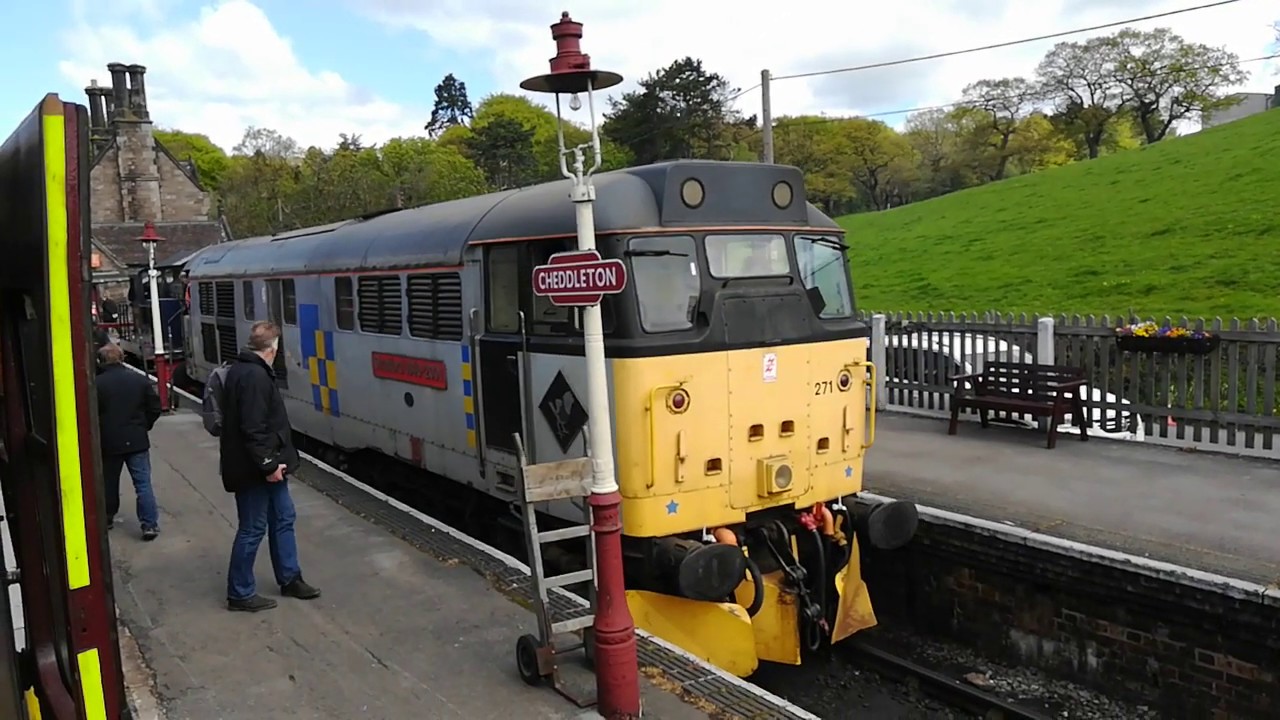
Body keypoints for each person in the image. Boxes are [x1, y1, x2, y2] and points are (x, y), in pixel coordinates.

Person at [220, 321, 320, 612]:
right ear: (273, 348)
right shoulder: (253, 377)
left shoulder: (248, 371)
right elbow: (254, 428)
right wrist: (268, 465)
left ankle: (290, 577)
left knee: (284, 517)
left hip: (268, 465)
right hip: (257, 470)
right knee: (253, 528)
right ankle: (239, 592)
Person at [95, 343, 163, 538]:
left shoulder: (97, 384)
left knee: (109, 481)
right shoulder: (139, 381)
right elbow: (154, 407)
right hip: (136, 439)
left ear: (101, 361)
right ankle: (149, 524)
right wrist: (144, 426)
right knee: (143, 483)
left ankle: (107, 517)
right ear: (122, 358)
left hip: (109, 441)